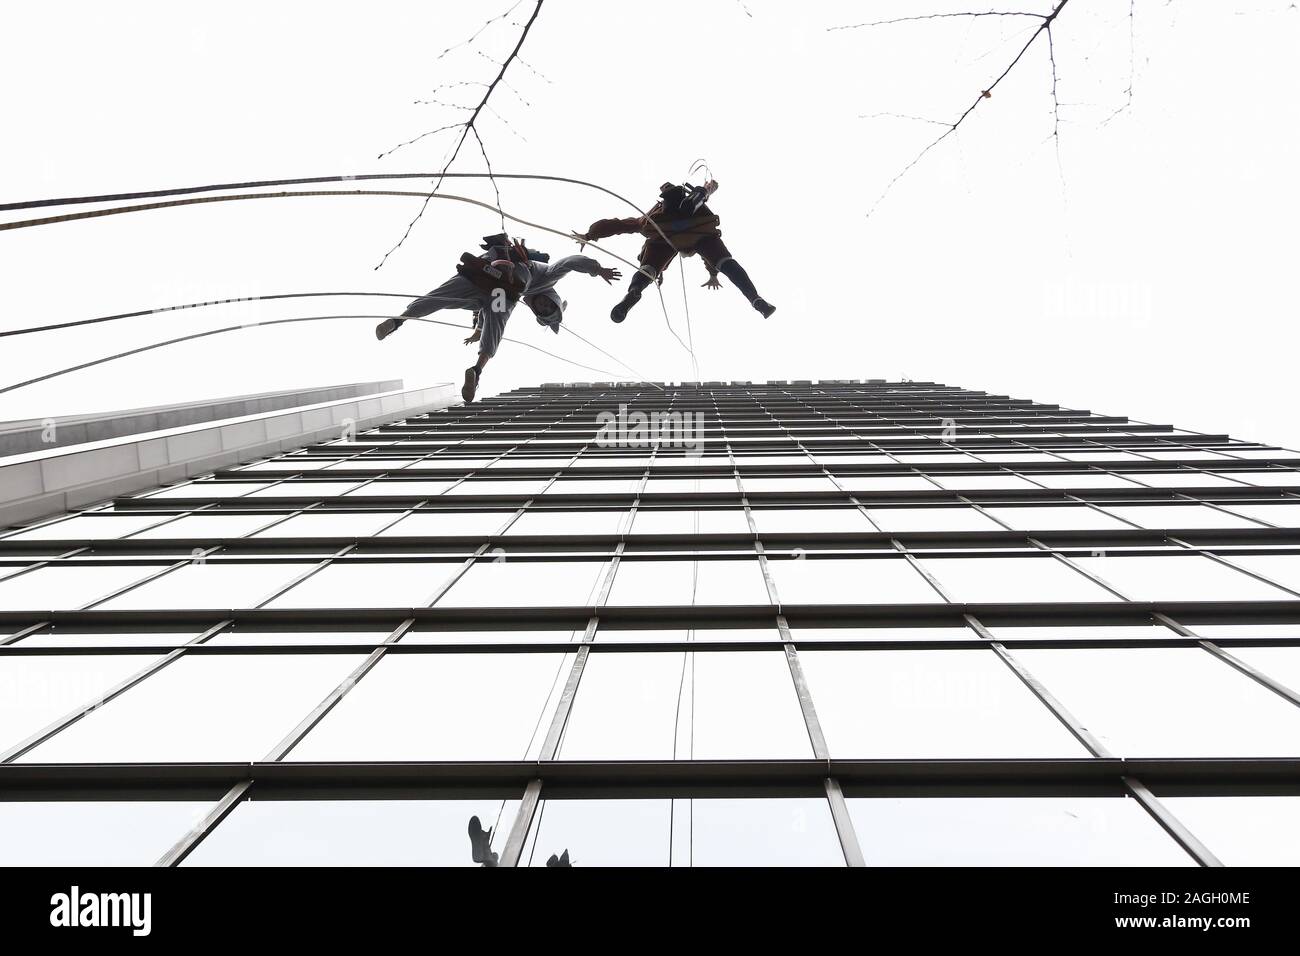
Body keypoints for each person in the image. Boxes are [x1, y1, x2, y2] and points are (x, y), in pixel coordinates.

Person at [375, 234, 620, 403]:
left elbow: (491, 316)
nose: (542, 305)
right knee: (438, 298)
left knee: (489, 319)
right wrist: (597, 269)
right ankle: (397, 321)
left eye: (543, 311)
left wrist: (478, 331)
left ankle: (475, 370)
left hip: (493, 287)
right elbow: (570, 262)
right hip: (495, 280)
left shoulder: (525, 294)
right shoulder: (548, 279)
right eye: (548, 305)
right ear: (552, 299)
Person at [576, 179, 775, 323]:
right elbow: (712, 260)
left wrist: (591, 234)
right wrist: (713, 273)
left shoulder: (665, 242)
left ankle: (634, 291)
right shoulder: (699, 243)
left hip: (665, 227)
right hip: (696, 224)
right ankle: (754, 298)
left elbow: (620, 225)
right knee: (725, 262)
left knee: (649, 268)